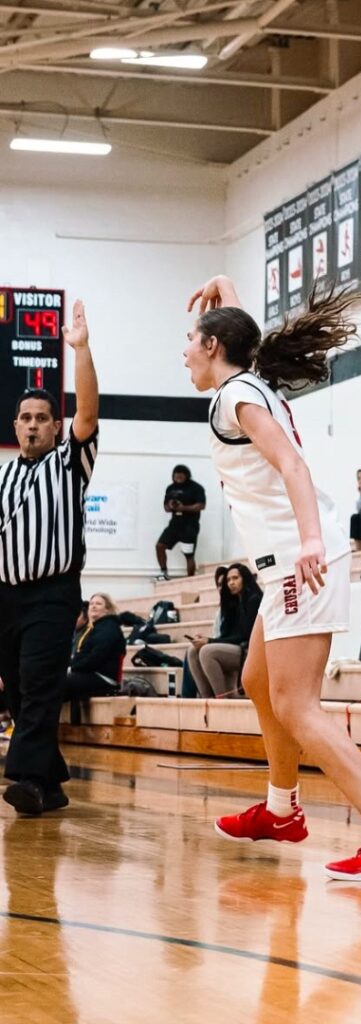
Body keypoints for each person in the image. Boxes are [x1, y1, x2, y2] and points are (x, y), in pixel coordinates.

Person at [185, 273, 361, 881]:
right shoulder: (250, 380)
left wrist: (313, 539)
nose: (184, 350)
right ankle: (281, 809)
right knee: (257, 680)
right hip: (288, 564)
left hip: (300, 559)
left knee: (297, 704)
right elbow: (240, 336)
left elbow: (291, 462)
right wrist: (228, 287)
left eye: (191, 340)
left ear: (212, 347)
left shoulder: (233, 398)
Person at [0, 301, 98, 816]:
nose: (34, 425)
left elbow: (88, 412)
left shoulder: (70, 462)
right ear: (15, 427)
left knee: (39, 687)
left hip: (52, 594)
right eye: (26, 419)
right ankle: (53, 780)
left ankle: (28, 782)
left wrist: (80, 349)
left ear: (56, 427)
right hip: (6, 596)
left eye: (42, 418)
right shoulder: (3, 477)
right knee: (17, 690)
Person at [186, 563, 262, 699]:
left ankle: (221, 699)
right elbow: (227, 635)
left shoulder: (253, 599)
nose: (231, 583)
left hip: (249, 650)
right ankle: (207, 699)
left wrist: (210, 641)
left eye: (235, 578)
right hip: (237, 647)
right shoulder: (232, 603)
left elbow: (244, 635)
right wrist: (207, 639)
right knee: (192, 650)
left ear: (244, 578)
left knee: (206, 651)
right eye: (228, 580)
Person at [64, 593, 127, 720]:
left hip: (103, 678)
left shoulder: (109, 628)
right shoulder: (96, 628)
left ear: (107, 609)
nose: (93, 606)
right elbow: (81, 655)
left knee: (54, 684)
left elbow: (96, 657)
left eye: (98, 604)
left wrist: (73, 668)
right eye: (92, 604)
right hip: (91, 673)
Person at [155, 464, 206, 580]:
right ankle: (164, 572)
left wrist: (184, 508)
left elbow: (201, 505)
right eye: (176, 477)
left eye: (180, 477)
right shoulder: (170, 488)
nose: (178, 480)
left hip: (189, 525)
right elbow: (166, 507)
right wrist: (171, 505)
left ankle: (191, 578)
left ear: (186, 476)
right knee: (160, 546)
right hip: (174, 524)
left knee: (188, 554)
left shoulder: (196, 488)